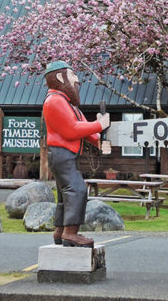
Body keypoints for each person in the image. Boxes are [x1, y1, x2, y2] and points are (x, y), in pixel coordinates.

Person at [43, 61, 110, 248]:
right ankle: (71, 234)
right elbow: (72, 130)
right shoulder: (55, 101)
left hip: (65, 155)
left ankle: (60, 232)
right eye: (73, 76)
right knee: (77, 190)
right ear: (59, 77)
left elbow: (83, 128)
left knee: (65, 194)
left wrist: (98, 140)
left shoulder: (68, 104)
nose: (77, 80)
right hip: (61, 154)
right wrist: (100, 125)